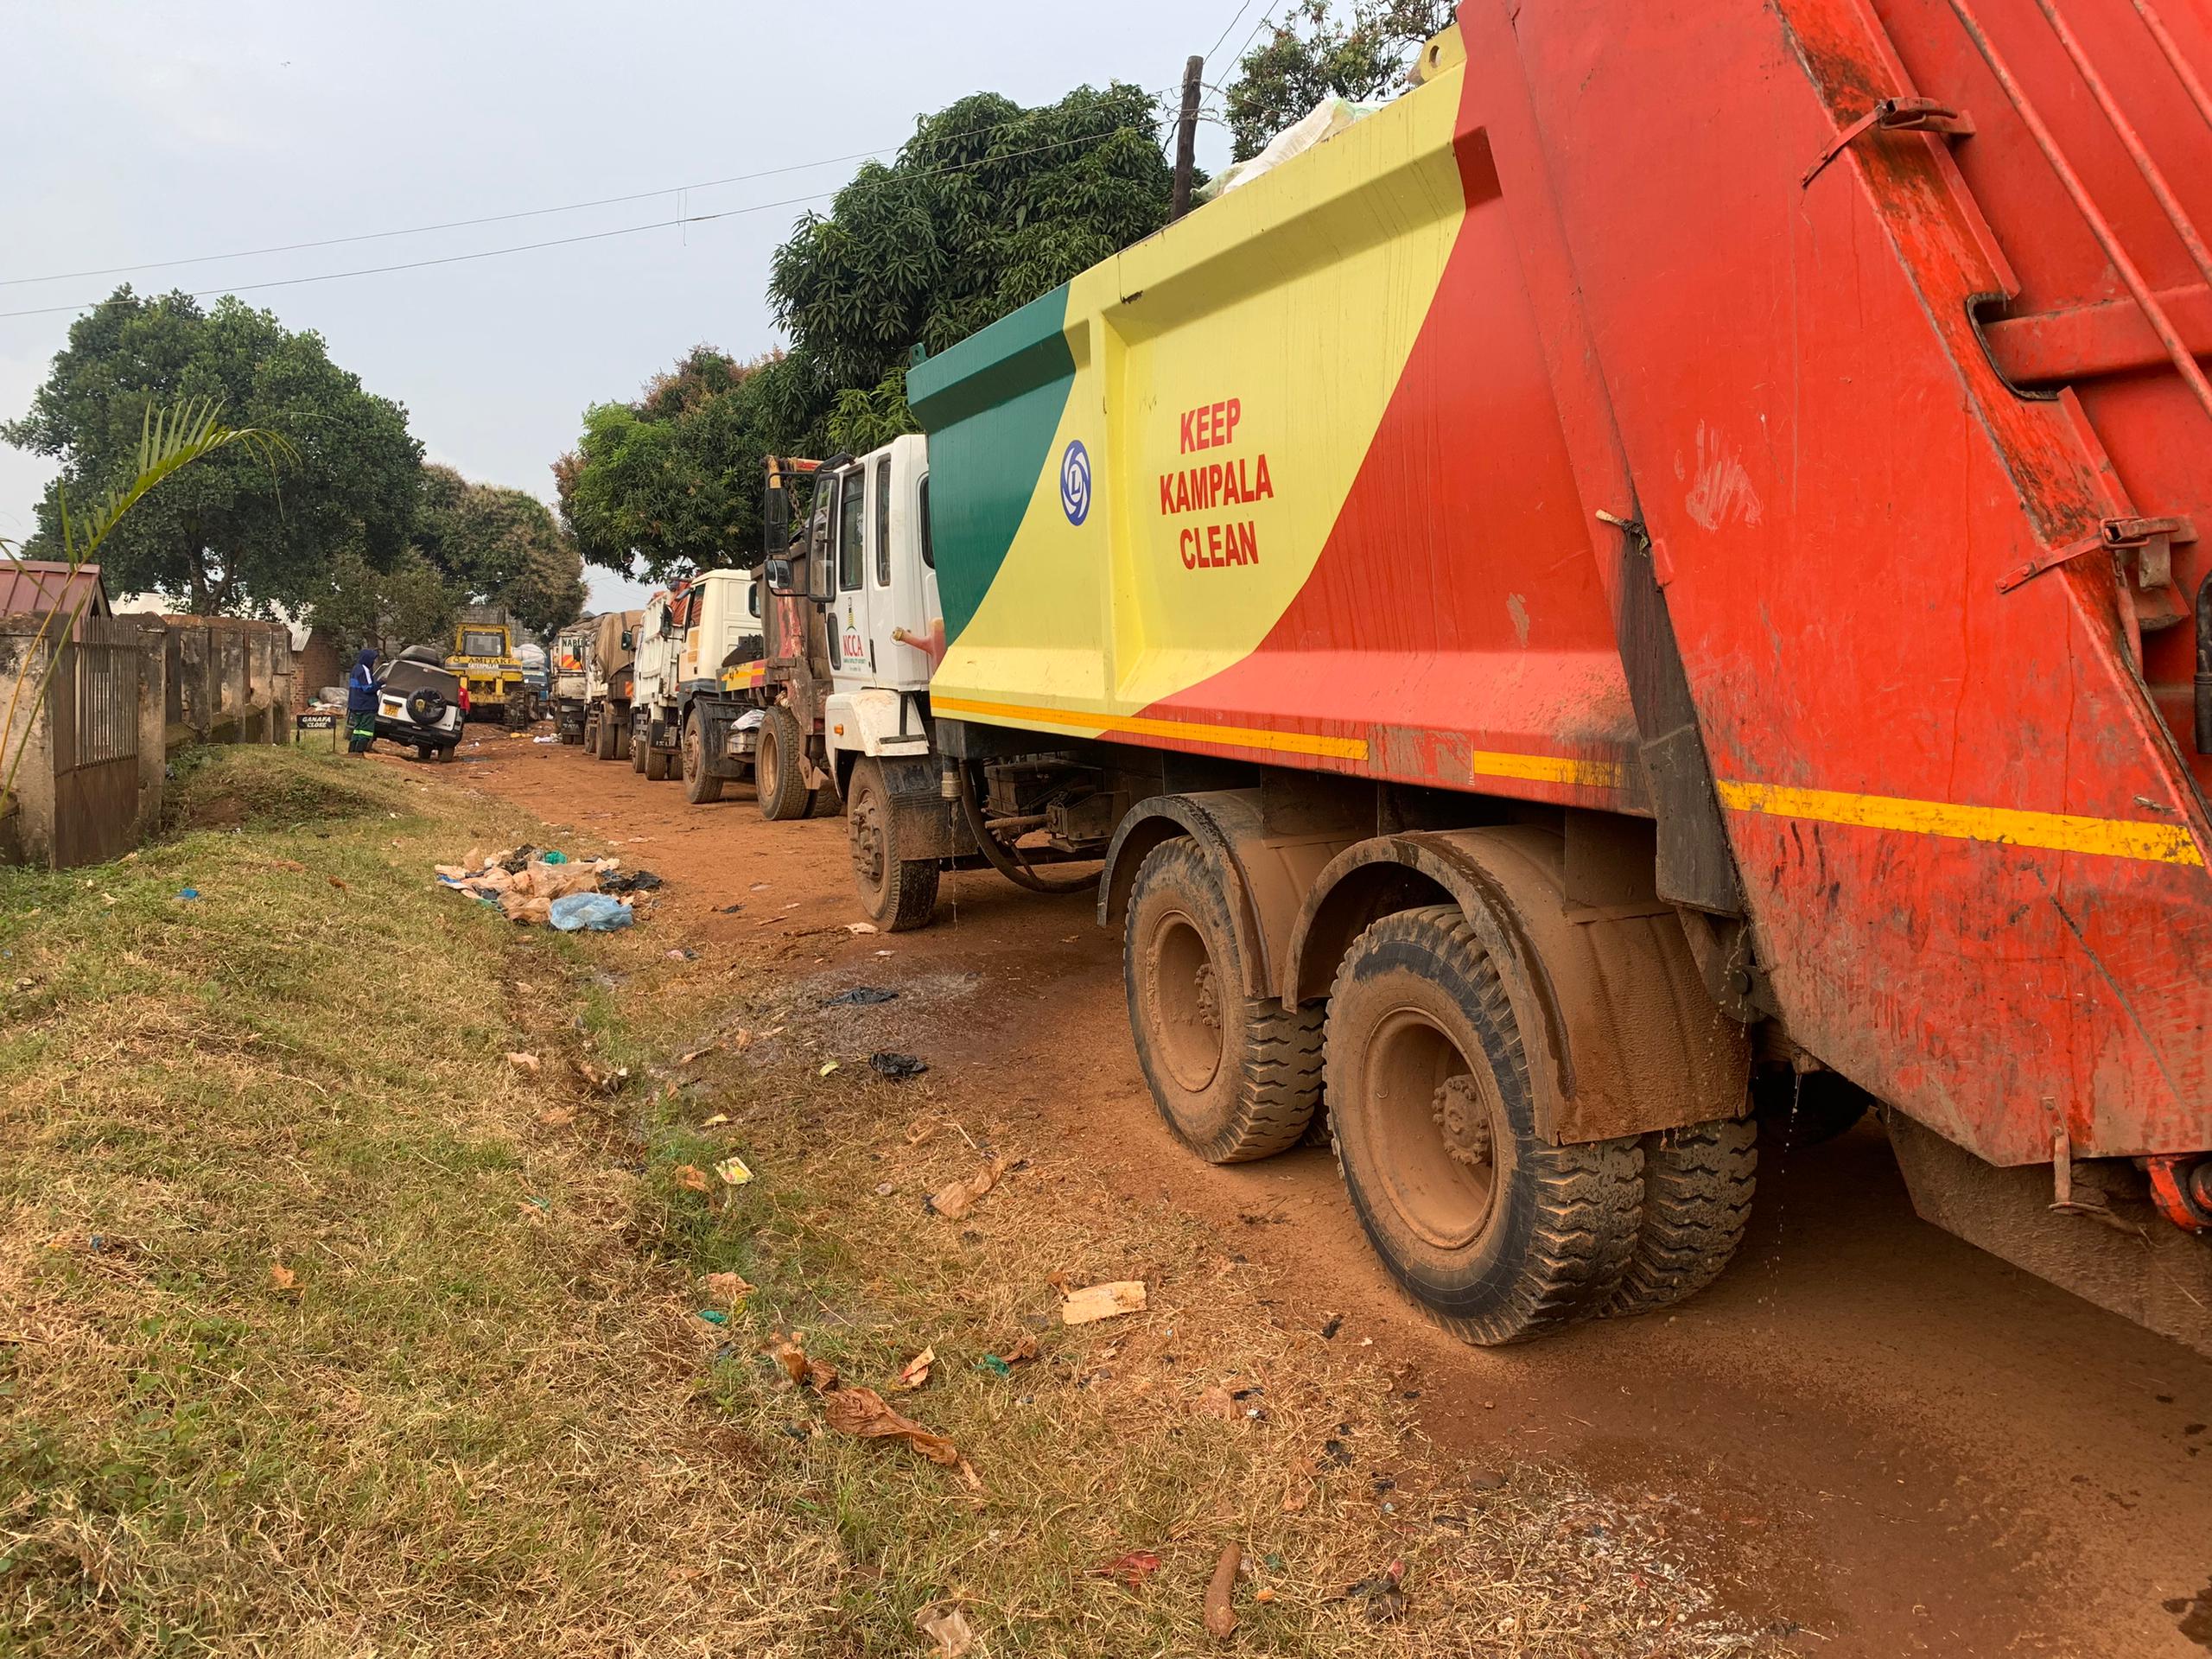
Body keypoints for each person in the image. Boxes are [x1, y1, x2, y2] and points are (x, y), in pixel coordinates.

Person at [345, 647, 382, 754]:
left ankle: (352, 751)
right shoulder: (364, 670)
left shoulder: (355, 669)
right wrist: (380, 683)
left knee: (357, 729)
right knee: (366, 731)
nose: (373, 662)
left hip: (355, 705)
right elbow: (368, 688)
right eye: (372, 660)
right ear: (367, 659)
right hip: (366, 706)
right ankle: (359, 752)